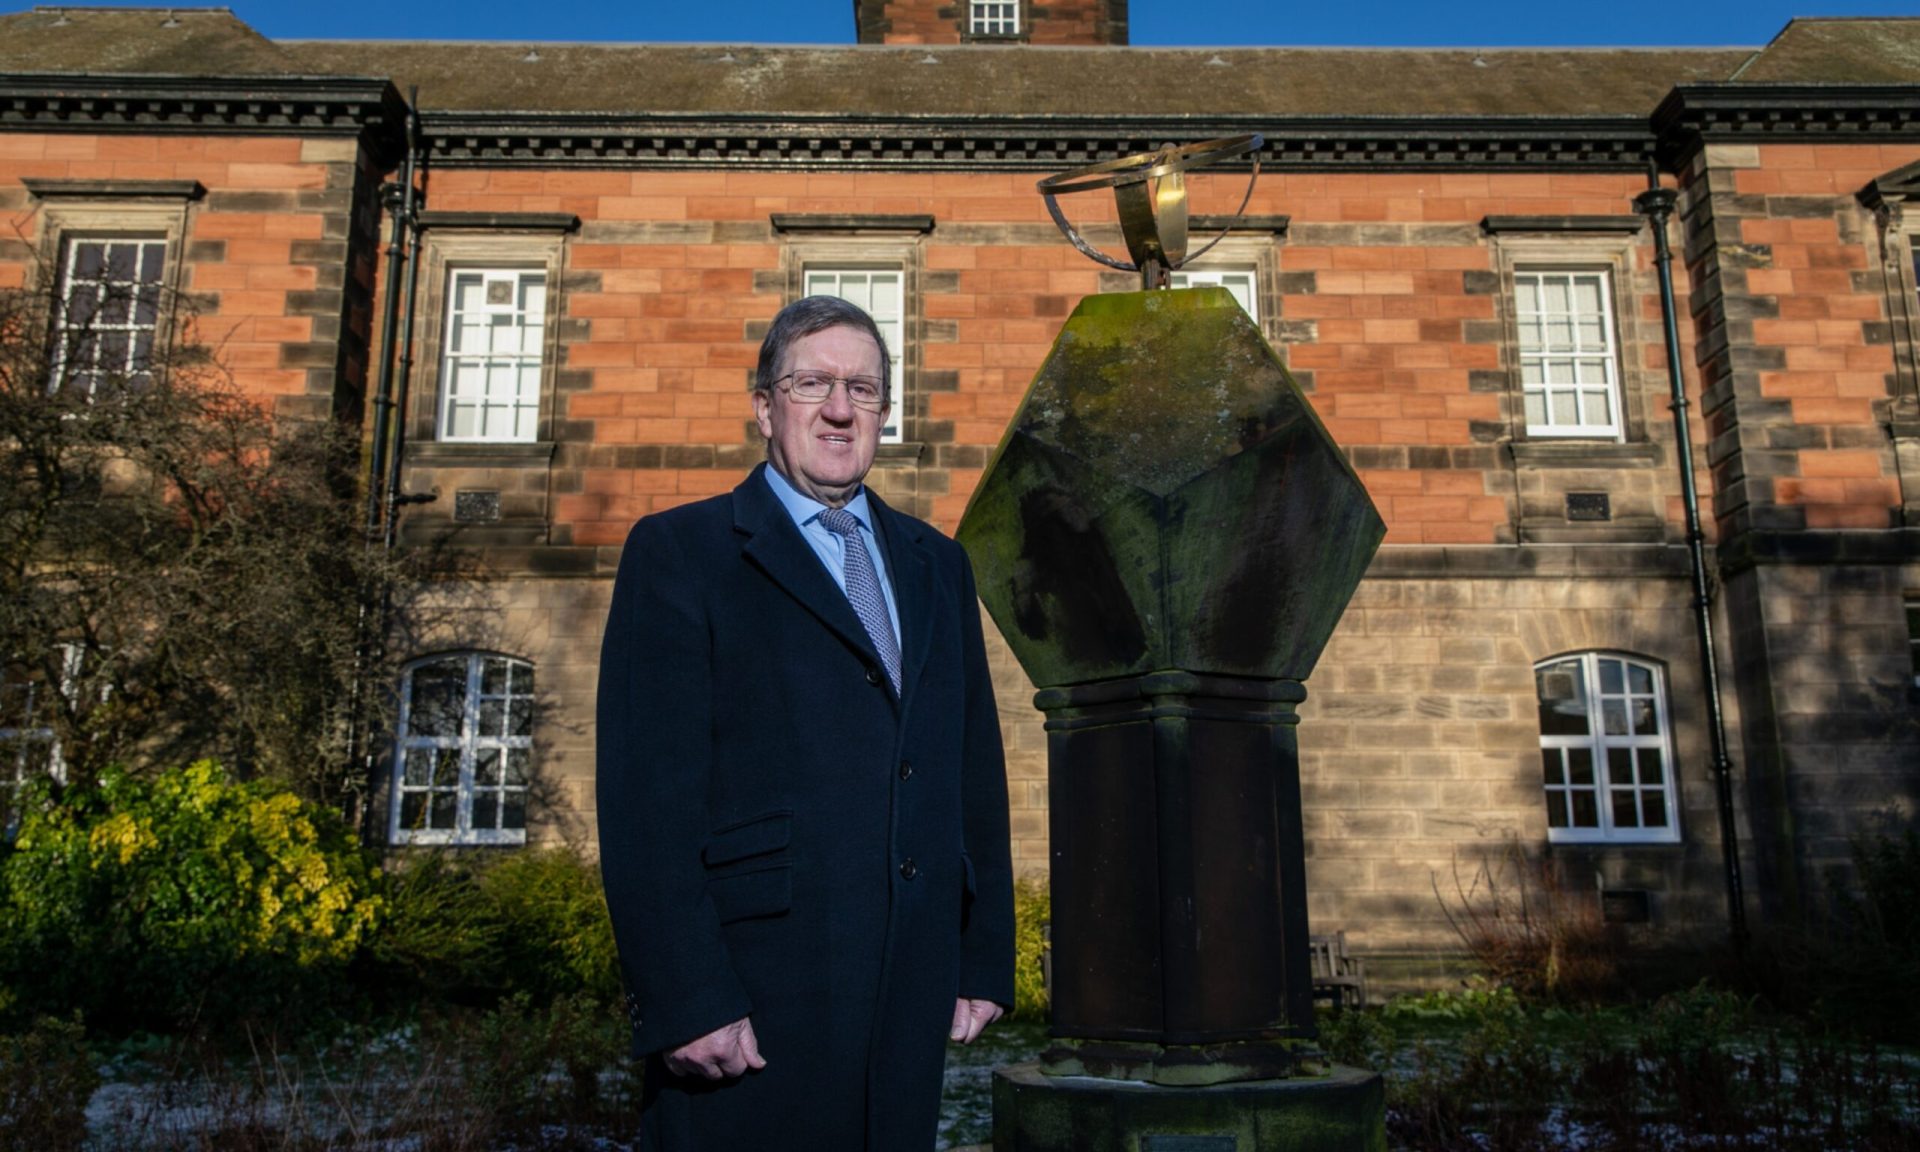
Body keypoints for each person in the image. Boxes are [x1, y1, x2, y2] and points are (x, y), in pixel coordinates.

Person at [596, 295, 1016, 1151]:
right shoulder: (682, 553)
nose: (838, 408)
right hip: (752, 1004)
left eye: (862, 389)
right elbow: (647, 802)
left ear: (885, 415)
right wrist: (687, 997)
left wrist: (981, 957)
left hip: (906, 992)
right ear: (763, 407)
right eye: (812, 382)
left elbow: (972, 767)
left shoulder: (940, 563)